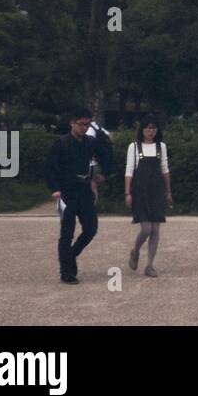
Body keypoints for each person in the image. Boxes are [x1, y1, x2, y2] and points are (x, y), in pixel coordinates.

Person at [45, 107, 113, 284]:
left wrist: (103, 173)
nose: (84, 128)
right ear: (72, 123)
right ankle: (66, 272)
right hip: (66, 191)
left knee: (91, 228)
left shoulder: (90, 142)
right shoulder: (61, 143)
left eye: (87, 124)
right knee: (67, 232)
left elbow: (106, 155)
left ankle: (71, 254)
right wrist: (55, 189)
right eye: (81, 124)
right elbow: (50, 169)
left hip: (84, 189)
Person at [125, 117, 171, 278]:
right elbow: (129, 171)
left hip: (157, 190)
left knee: (156, 229)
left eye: (153, 128)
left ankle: (150, 264)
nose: (150, 131)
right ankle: (135, 251)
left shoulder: (161, 146)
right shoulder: (134, 147)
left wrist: (168, 191)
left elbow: (164, 168)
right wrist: (127, 193)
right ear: (142, 130)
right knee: (146, 228)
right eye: (147, 128)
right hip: (140, 191)